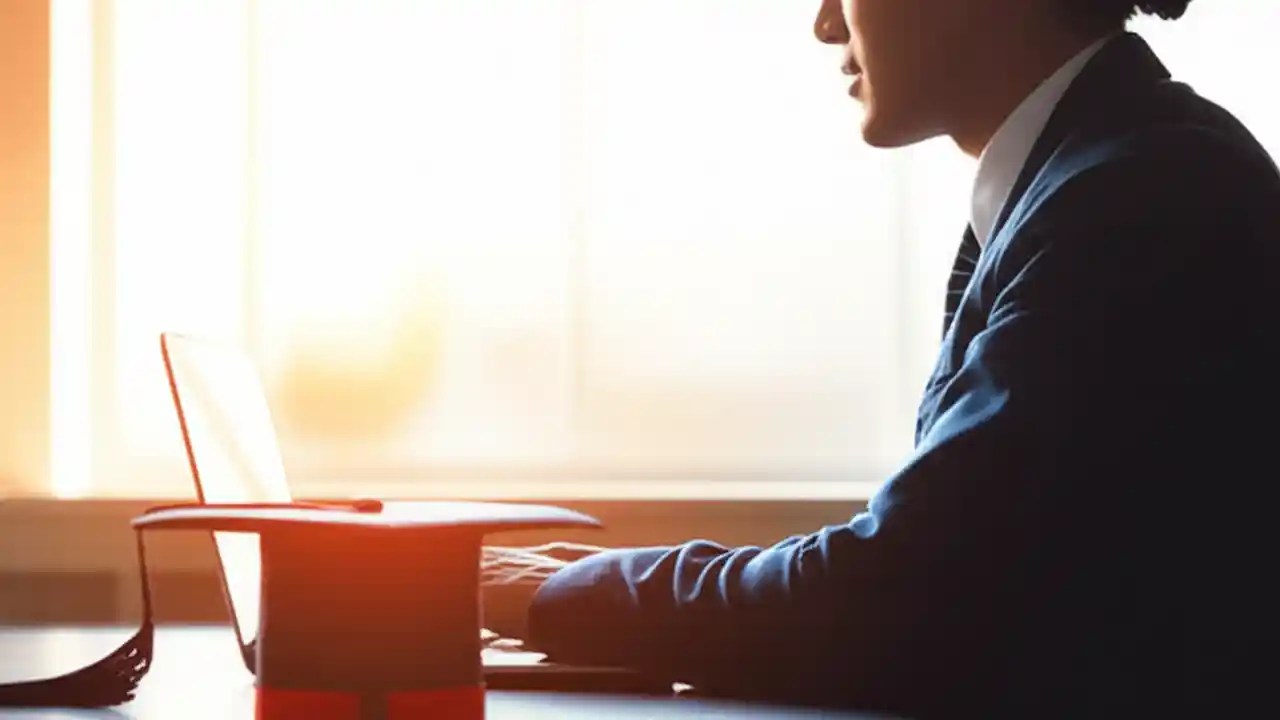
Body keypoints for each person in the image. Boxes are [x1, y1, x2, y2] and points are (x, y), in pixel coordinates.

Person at [488, 1, 1280, 716]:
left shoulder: (1139, 202)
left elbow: (897, 602)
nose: (827, 23)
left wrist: (571, 592)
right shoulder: (1106, 174)